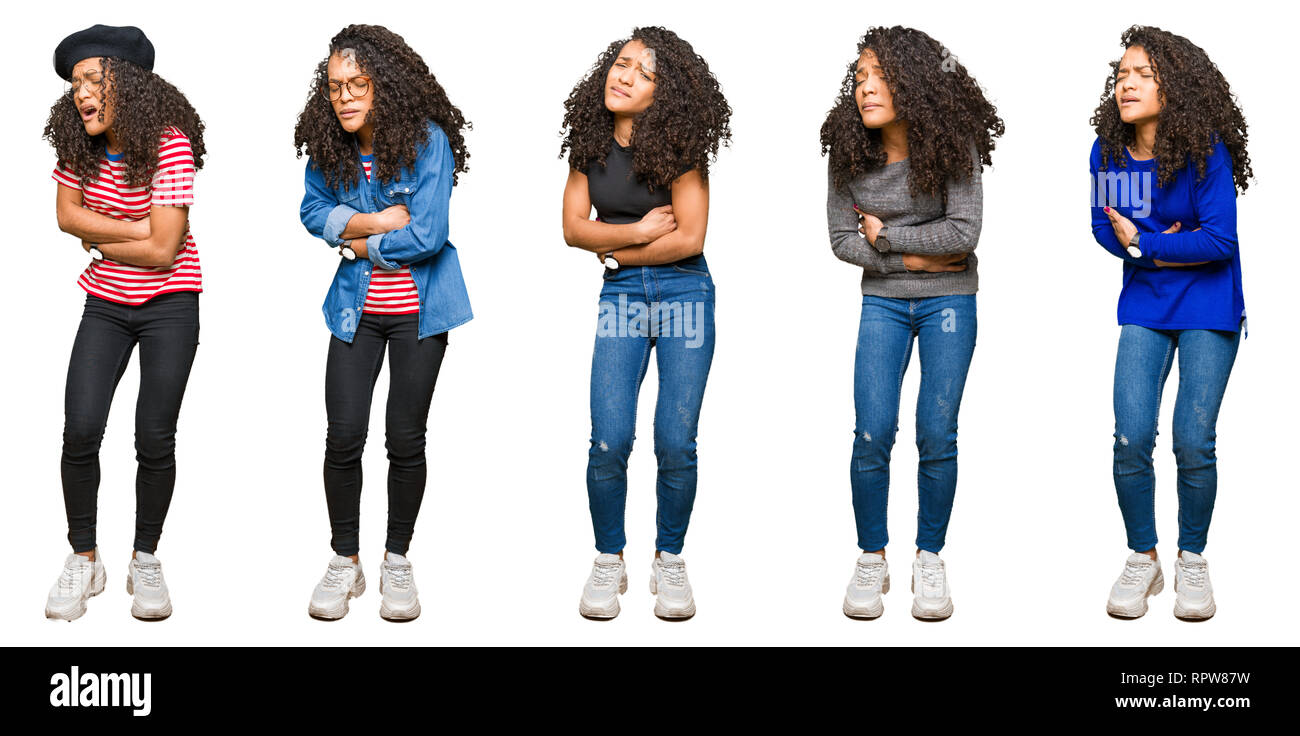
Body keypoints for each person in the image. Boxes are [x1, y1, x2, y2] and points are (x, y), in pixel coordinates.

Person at [821, 26, 1003, 621]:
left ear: (915, 85)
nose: (865, 88)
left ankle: (929, 556)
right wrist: (915, 257)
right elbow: (843, 240)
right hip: (883, 301)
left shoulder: (953, 144)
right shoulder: (850, 153)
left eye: (879, 77)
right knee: (871, 430)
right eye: (860, 77)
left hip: (950, 299)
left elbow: (964, 233)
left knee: (936, 432)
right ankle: (872, 556)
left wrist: (890, 235)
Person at [297, 24, 473, 622]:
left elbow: (429, 234)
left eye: (358, 84)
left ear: (385, 86)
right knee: (342, 437)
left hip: (421, 315)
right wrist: (377, 222)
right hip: (355, 313)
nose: (344, 97)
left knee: (404, 439)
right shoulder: (330, 147)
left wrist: (358, 242)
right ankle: (345, 560)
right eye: (335, 86)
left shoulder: (428, 142)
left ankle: (397, 559)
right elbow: (310, 210)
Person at [560, 27, 731, 620]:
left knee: (674, 441)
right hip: (623, 297)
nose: (624, 75)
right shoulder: (589, 144)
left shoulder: (682, 147)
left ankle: (669, 559)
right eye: (621, 62)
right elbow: (572, 228)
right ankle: (610, 558)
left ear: (665, 93)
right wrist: (632, 236)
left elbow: (689, 236)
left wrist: (612, 253)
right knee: (609, 437)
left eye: (643, 72)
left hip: (686, 290)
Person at [43, 24, 205, 622]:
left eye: (91, 79)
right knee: (80, 429)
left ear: (127, 84)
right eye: (74, 83)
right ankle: (85, 559)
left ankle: (145, 557)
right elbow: (66, 217)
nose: (80, 92)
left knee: (153, 437)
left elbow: (166, 253)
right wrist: (139, 230)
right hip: (106, 304)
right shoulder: (76, 146)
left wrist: (101, 234)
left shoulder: (170, 144)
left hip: (170, 304)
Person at [1090, 26, 1251, 621]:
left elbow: (1219, 241)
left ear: (1172, 86)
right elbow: (1108, 231)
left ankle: (1192, 558)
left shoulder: (1205, 150)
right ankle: (1143, 557)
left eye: (1143, 75)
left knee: (1192, 440)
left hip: (1209, 306)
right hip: (1146, 307)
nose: (1126, 84)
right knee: (1130, 436)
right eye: (1121, 74)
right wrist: (1160, 245)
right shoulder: (1111, 154)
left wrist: (1151, 243)